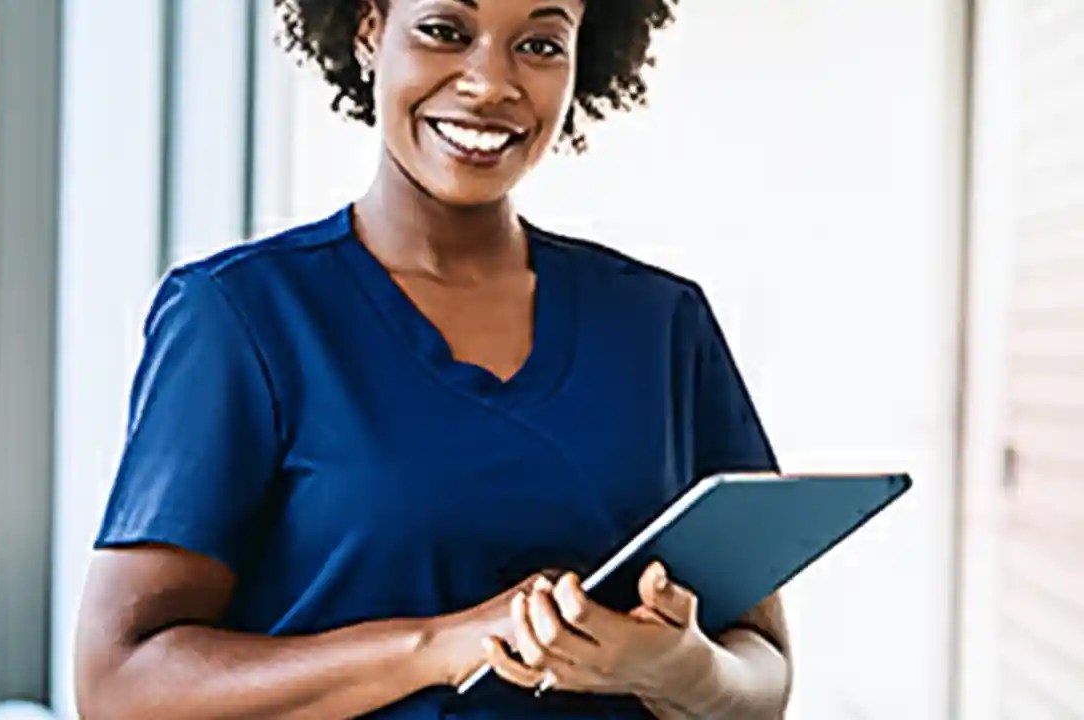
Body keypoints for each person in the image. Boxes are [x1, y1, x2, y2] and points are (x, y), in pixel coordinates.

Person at [74, 0, 792, 717]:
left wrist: (681, 670)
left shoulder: (661, 325)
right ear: (367, 32)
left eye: (540, 45)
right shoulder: (242, 316)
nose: (490, 83)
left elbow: (763, 676)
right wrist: (442, 647)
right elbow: (120, 686)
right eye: (446, 31)